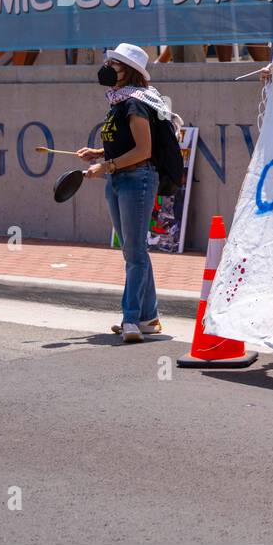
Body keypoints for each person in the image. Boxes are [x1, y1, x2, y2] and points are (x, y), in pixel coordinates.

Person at [75, 43, 180, 342]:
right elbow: (126, 144)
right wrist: (98, 153)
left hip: (137, 180)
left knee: (134, 254)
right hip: (120, 180)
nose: (107, 67)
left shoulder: (135, 103)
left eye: (114, 63)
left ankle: (130, 320)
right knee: (134, 252)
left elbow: (144, 150)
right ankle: (149, 318)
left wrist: (106, 166)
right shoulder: (120, 102)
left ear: (128, 71)